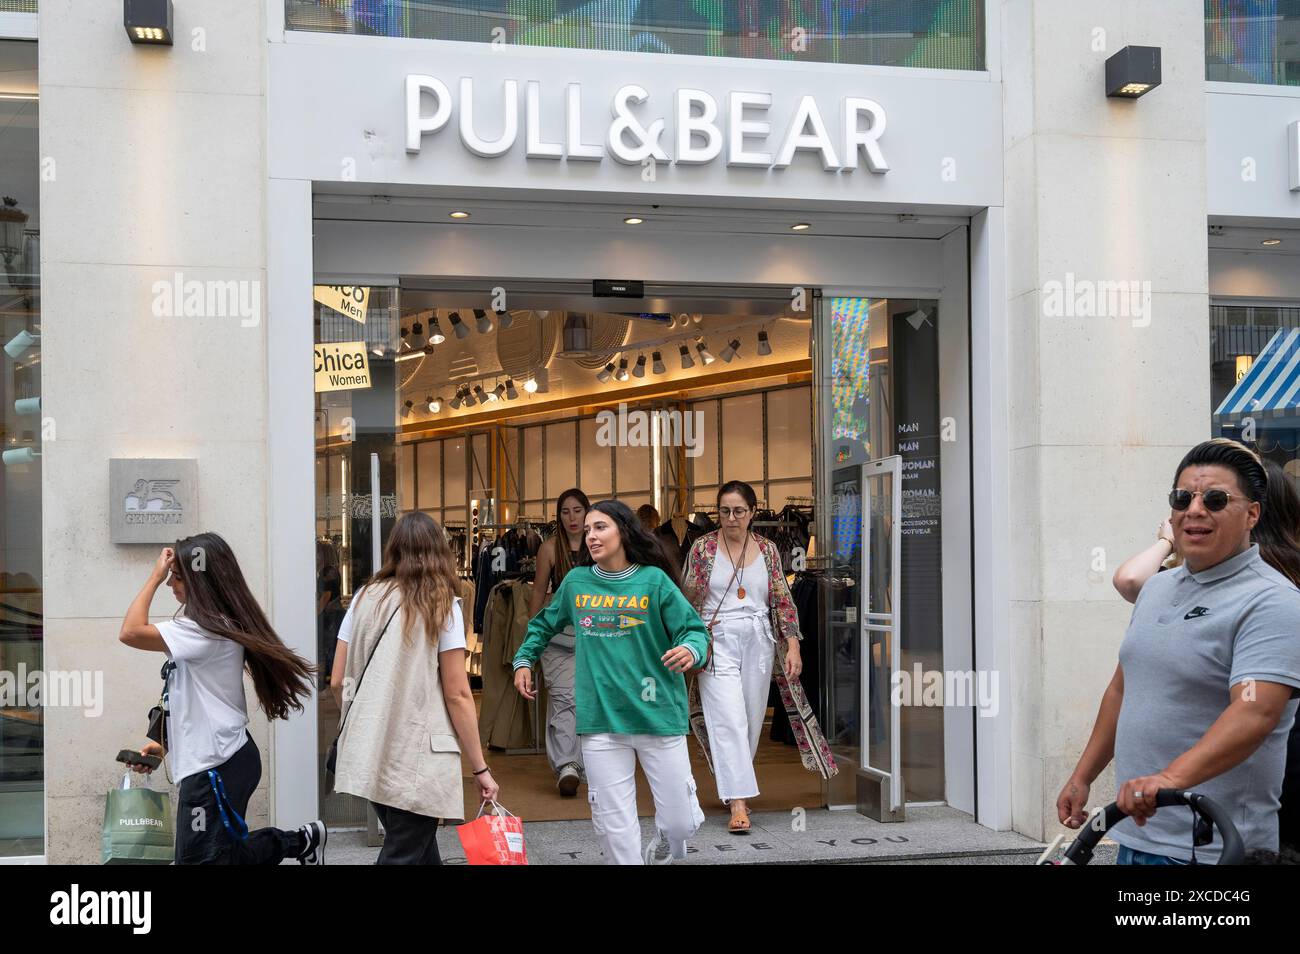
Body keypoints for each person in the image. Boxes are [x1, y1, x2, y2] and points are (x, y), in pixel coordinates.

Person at [1059, 439, 1300, 863]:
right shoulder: (1157, 587)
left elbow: (1254, 712)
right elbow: (1122, 689)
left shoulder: (1272, 600)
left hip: (1210, 849)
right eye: (1182, 497)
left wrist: (1167, 779)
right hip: (1134, 834)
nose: (1195, 509)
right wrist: (1084, 775)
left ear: (1252, 514)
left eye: (1215, 499)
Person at [512, 500, 709, 864]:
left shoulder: (654, 581)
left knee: (681, 822)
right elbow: (542, 624)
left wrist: (690, 651)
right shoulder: (576, 583)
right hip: (601, 720)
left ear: (624, 531)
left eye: (600, 527)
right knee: (615, 828)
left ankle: (667, 837)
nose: (591, 536)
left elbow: (694, 631)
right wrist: (524, 659)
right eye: (587, 530)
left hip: (657, 713)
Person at [119, 533, 326, 865]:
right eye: (169, 575)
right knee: (225, 856)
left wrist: (154, 577)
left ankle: (298, 842)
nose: (171, 582)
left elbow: (129, 631)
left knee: (200, 860)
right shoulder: (205, 626)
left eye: (178, 576)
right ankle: (301, 842)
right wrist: (163, 744)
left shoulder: (203, 630)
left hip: (215, 767)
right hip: (223, 761)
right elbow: (193, 698)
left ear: (201, 580)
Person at [330, 512, 499, 864]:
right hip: (417, 758)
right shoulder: (442, 605)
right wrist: (480, 767)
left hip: (368, 751)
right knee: (404, 853)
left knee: (418, 851)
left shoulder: (363, 597)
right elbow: (457, 693)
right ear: (440, 551)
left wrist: (361, 718)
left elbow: (337, 679)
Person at [681, 480, 836, 833]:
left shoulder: (767, 550)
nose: (731, 518)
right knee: (729, 718)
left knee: (750, 720)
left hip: (759, 640)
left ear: (752, 513)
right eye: (724, 511)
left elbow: (782, 599)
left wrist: (793, 644)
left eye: (739, 511)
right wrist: (692, 634)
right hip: (716, 640)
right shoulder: (703, 549)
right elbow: (685, 598)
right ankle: (739, 802)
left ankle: (735, 787)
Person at [527, 488, 590, 796]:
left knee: (589, 700)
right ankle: (567, 764)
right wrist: (532, 639)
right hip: (558, 638)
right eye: (565, 512)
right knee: (564, 699)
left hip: (596, 636)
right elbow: (538, 593)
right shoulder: (550, 548)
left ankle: (585, 763)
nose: (572, 517)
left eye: (577, 510)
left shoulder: (600, 545)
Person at [316, 540, 343, 688]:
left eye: (318, 553)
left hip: (330, 617)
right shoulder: (330, 571)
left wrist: (314, 614)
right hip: (333, 615)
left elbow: (326, 596)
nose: (315, 556)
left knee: (326, 650)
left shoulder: (327, 573)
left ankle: (324, 682)